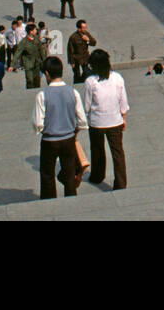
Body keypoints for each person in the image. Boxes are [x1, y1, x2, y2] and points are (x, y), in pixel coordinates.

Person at [33, 56, 88, 199]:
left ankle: (49, 199)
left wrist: (44, 129)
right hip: (68, 139)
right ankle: (71, 197)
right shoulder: (73, 92)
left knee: (47, 174)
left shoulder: (42, 95)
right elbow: (82, 120)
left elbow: (38, 124)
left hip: (50, 140)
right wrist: (74, 130)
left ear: (47, 74)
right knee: (69, 173)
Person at [84, 49, 129, 190]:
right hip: (115, 120)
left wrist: (84, 117)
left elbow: (87, 104)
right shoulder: (117, 78)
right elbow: (123, 101)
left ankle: (98, 175)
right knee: (118, 153)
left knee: (97, 150)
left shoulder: (90, 81)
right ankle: (121, 182)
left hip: (97, 122)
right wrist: (124, 117)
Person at [15, 24, 45, 89]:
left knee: (37, 80)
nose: (36, 31)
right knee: (30, 80)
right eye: (35, 30)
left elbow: (41, 50)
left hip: (37, 63)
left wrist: (44, 60)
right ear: (31, 31)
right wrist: (12, 65)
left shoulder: (37, 38)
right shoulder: (24, 42)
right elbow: (18, 53)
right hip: (28, 64)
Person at [68, 20, 98, 84]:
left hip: (85, 57)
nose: (85, 29)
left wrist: (88, 40)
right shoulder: (73, 37)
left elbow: (94, 42)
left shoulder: (86, 34)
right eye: (84, 28)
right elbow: (70, 50)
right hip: (76, 58)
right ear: (79, 29)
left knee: (87, 72)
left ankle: (85, 82)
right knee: (76, 75)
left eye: (85, 27)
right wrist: (72, 62)